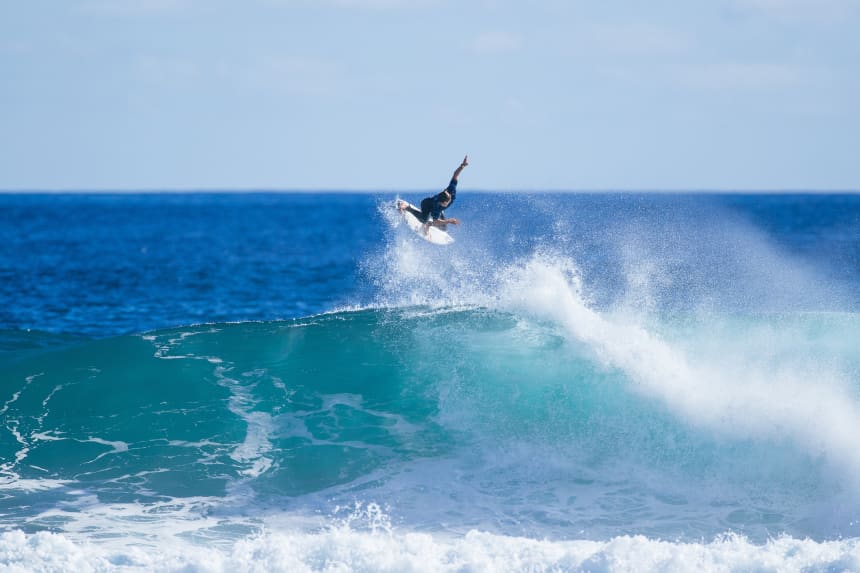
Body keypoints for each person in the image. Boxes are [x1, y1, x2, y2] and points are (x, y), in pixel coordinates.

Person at [398, 156, 468, 233]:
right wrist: (449, 221)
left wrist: (462, 166)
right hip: (426, 205)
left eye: (444, 202)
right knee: (424, 219)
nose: (442, 203)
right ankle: (407, 208)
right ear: (441, 203)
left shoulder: (451, 189)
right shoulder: (437, 206)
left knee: (444, 228)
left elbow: (455, 175)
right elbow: (436, 221)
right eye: (443, 203)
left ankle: (429, 223)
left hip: (437, 207)